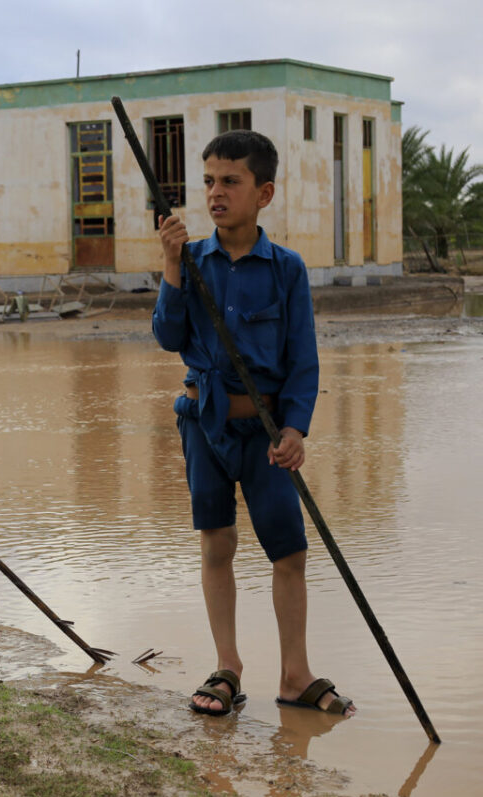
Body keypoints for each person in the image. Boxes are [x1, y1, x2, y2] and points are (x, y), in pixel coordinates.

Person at [152, 130, 355, 718]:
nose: (216, 193)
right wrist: (170, 263)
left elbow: (303, 362)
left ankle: (295, 675)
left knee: (289, 552)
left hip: (267, 435)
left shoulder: (287, 269)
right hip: (203, 426)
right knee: (217, 543)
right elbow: (167, 336)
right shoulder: (191, 260)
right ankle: (227, 669)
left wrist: (295, 431)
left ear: (263, 193)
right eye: (209, 182)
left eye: (230, 182)